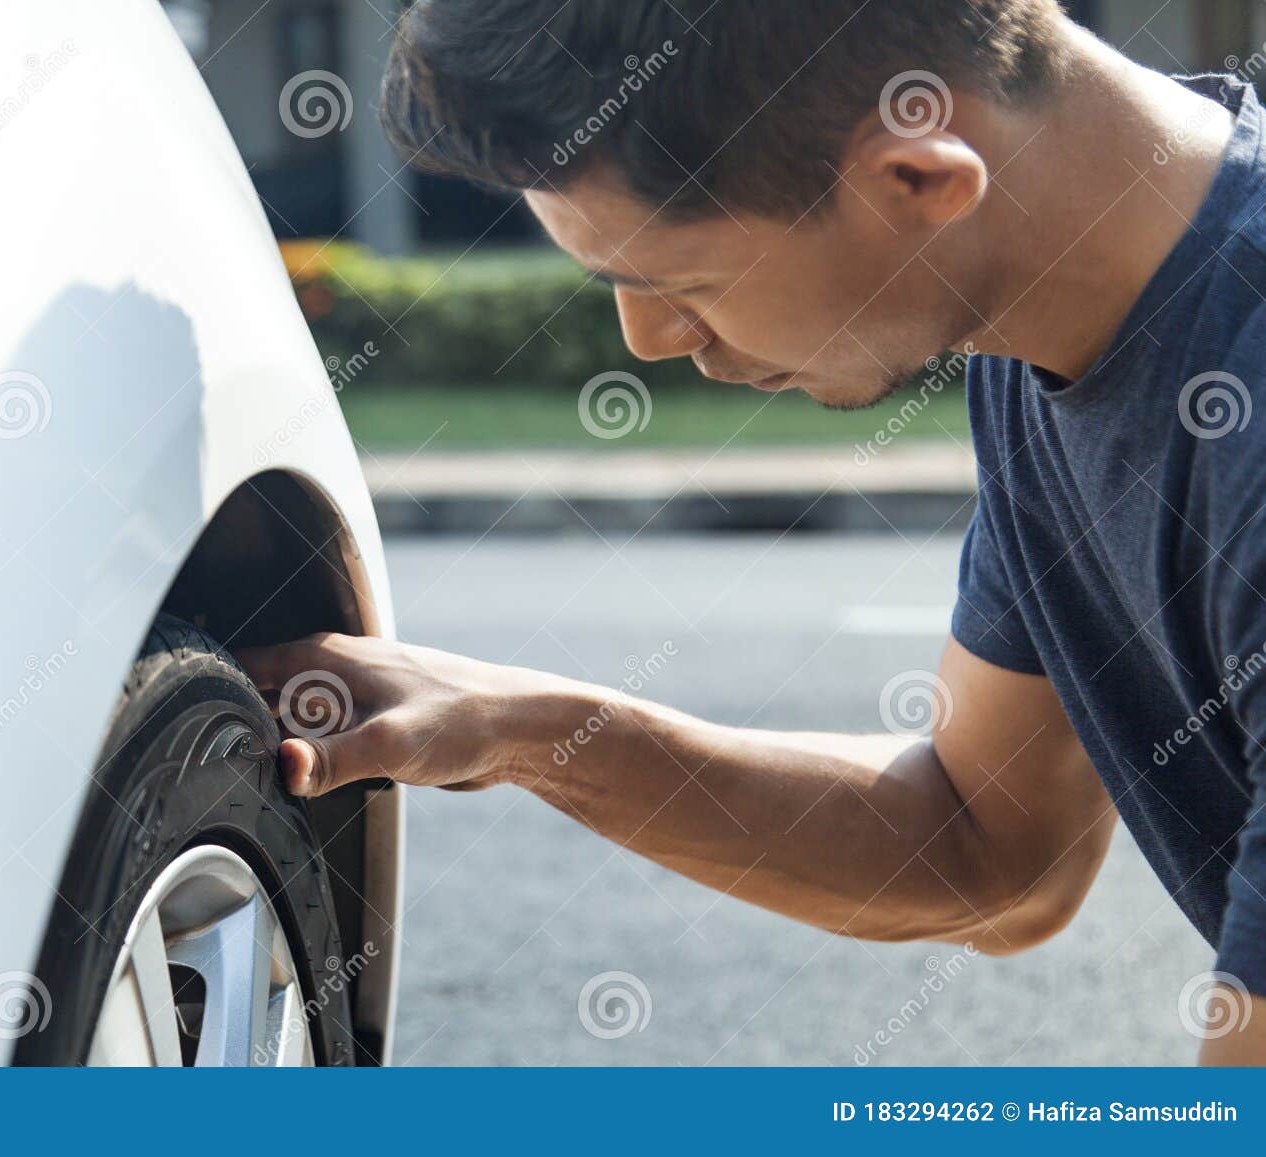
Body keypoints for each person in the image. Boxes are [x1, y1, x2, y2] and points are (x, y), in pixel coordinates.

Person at [238, 0, 1266, 1063]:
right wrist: (524, 729)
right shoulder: (1062, 317)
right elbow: (983, 845)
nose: (648, 341)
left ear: (916, 179)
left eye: (678, 283)